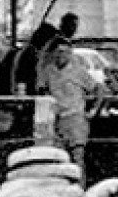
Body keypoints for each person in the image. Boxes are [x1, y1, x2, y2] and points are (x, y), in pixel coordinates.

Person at [45, 39, 104, 167]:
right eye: (58, 52)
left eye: (65, 52)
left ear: (70, 53)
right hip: (57, 120)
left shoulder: (78, 71)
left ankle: (80, 186)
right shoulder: (49, 71)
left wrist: (94, 110)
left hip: (75, 118)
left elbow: (99, 89)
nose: (61, 55)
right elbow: (44, 90)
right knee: (58, 159)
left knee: (77, 158)